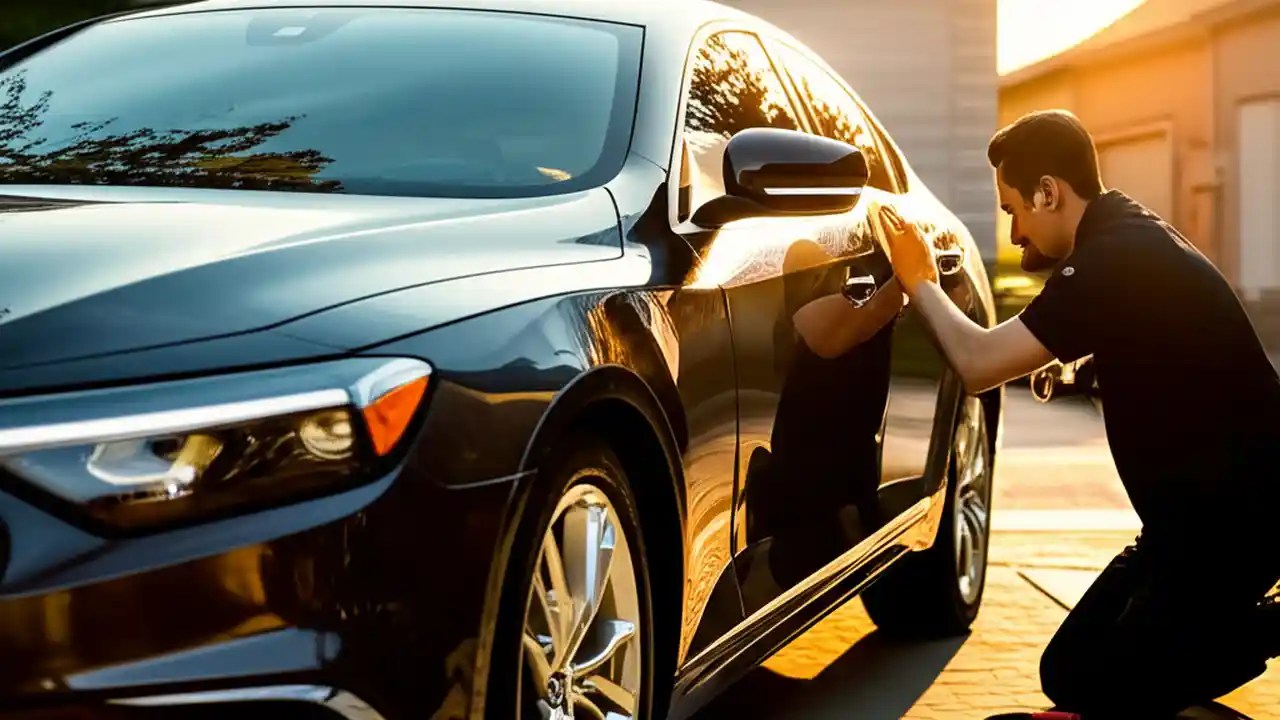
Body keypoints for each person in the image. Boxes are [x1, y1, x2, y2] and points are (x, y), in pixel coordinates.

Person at [875, 108, 1280, 718]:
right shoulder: (1127, 232)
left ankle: (1266, 626)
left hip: (1232, 532)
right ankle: (1199, 646)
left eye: (1014, 210)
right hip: (1184, 530)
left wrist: (919, 279)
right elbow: (1160, 333)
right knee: (1067, 670)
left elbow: (978, 362)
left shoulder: (1108, 260)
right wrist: (1082, 361)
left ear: (1048, 192)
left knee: (1109, 688)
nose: (1014, 235)